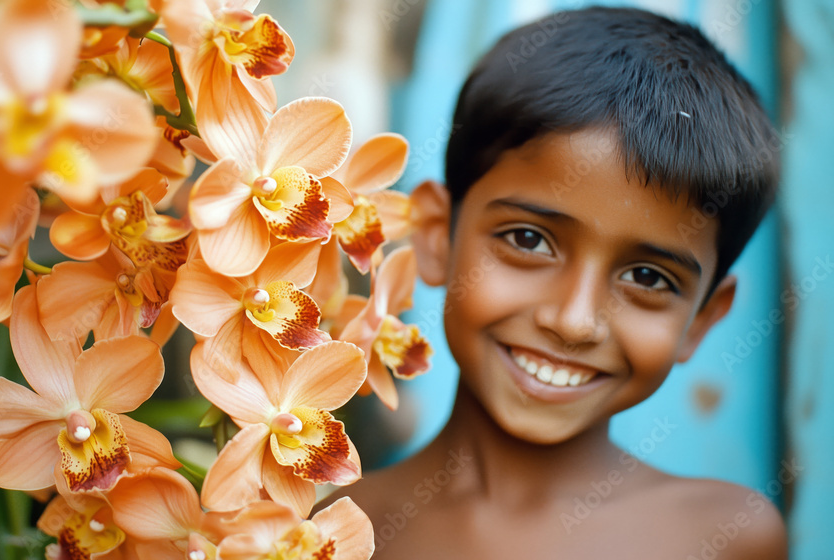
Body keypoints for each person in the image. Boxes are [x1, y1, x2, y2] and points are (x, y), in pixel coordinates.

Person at [333, 7, 786, 559]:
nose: (573, 321)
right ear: (435, 237)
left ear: (704, 318)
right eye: (528, 240)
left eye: (647, 277)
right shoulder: (329, 536)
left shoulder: (727, 536)